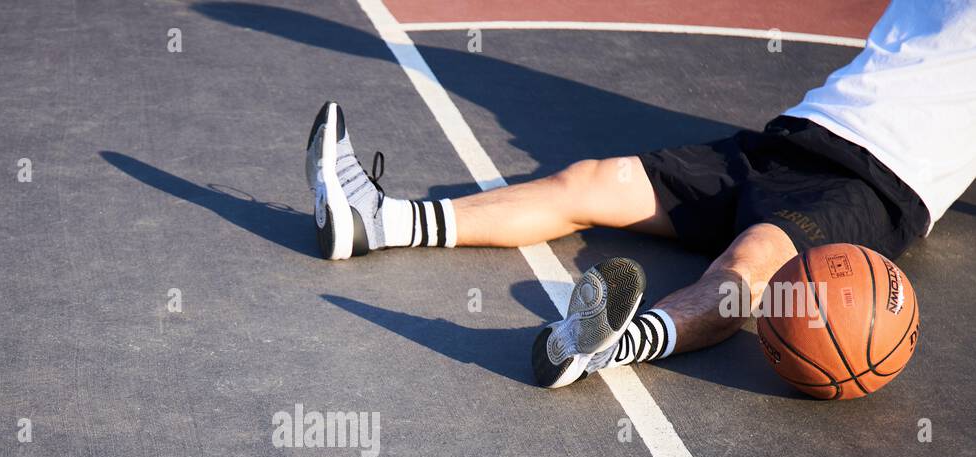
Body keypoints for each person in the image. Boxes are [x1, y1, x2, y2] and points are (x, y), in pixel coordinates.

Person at [305, 0, 976, 388]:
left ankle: (601, 346)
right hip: (786, 140)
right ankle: (378, 220)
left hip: (871, 180)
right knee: (589, 181)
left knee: (744, 270)